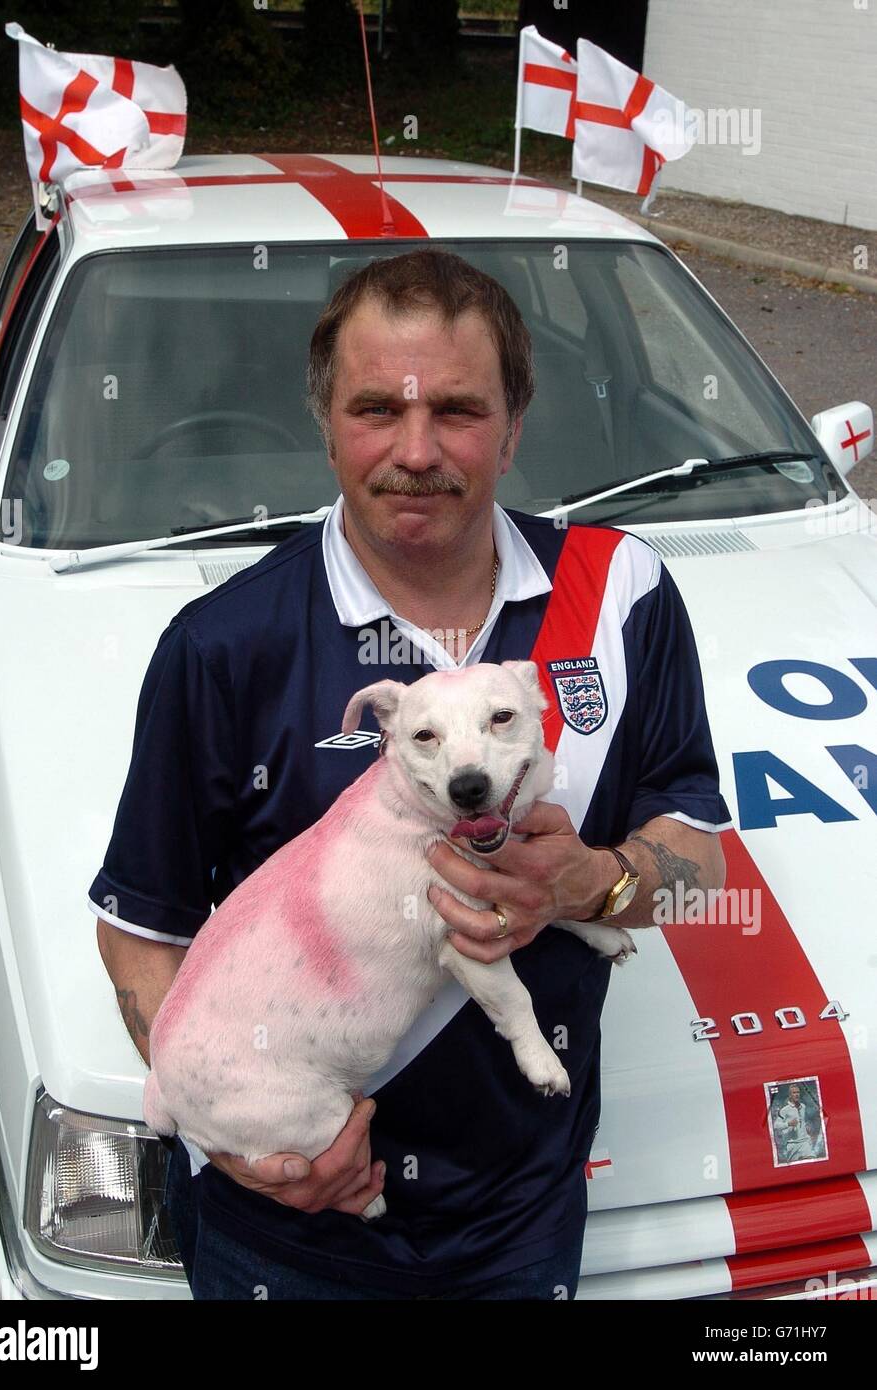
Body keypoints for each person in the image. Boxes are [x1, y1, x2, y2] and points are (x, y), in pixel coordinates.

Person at [91, 248, 730, 1300]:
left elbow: (696, 860)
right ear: (328, 422)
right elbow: (140, 930)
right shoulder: (223, 645)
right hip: (287, 1239)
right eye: (377, 407)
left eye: (461, 412)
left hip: (524, 1217)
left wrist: (591, 883)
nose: (417, 450)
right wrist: (251, 1144)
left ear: (516, 428)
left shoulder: (622, 596)